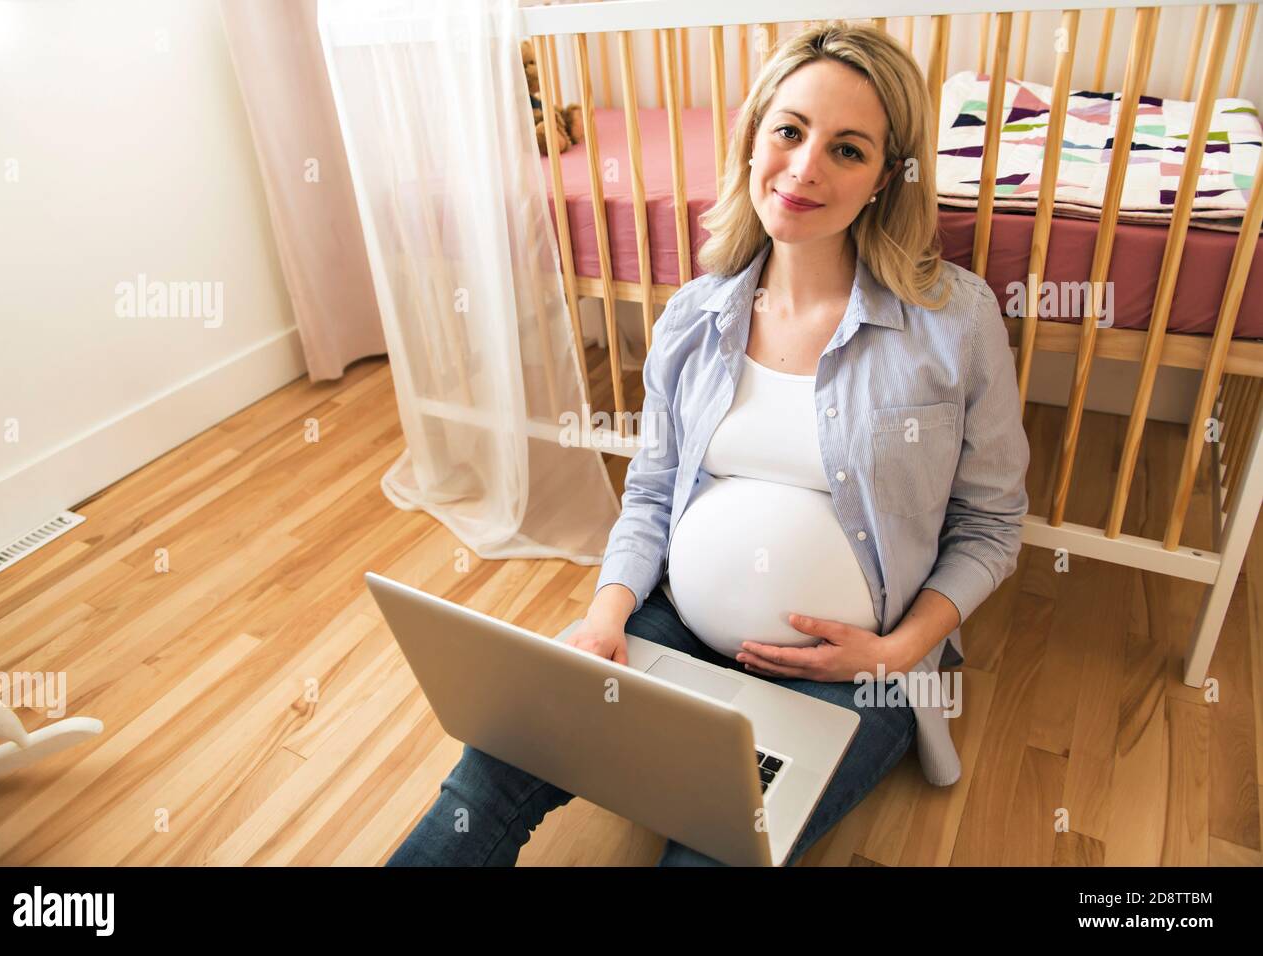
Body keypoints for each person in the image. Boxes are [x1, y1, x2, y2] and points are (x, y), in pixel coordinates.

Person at [387, 19, 1030, 867]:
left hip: (850, 670)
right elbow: (650, 494)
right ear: (754, 136)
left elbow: (991, 527)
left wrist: (894, 653)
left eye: (847, 150)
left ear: (885, 177)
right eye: (789, 131)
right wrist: (606, 619)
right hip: (676, 624)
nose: (803, 169)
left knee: (716, 850)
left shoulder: (953, 321)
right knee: (489, 776)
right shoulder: (695, 315)